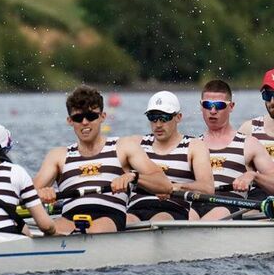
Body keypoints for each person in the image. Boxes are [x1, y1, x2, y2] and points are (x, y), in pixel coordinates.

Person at [33, 85, 171, 234]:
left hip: (109, 217)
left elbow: (165, 185)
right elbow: (28, 193)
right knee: (51, 230)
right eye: (78, 118)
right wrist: (42, 194)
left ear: (102, 117)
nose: (85, 122)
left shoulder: (123, 147)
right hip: (68, 218)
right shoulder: (58, 156)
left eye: (91, 116)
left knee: (94, 231)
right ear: (70, 121)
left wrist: (133, 177)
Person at [195, 79, 274, 220]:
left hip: (229, 207)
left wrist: (253, 176)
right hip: (196, 204)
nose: (213, 111)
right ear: (201, 106)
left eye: (219, 105)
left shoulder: (249, 144)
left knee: (214, 215)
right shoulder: (193, 145)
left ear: (231, 106)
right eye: (207, 105)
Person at [126, 91, 215, 223]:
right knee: (126, 220)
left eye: (164, 118)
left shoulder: (194, 146)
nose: (158, 124)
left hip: (173, 209)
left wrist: (176, 187)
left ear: (178, 117)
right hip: (136, 208)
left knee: (160, 220)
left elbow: (207, 188)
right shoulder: (136, 143)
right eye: (153, 117)